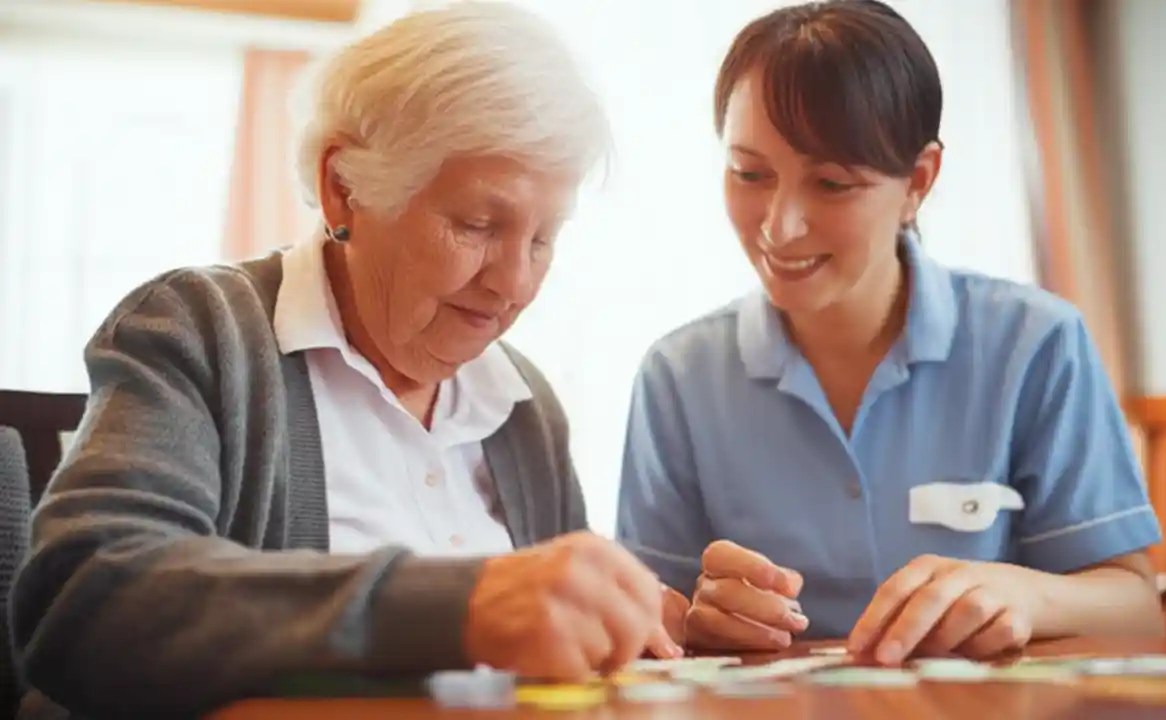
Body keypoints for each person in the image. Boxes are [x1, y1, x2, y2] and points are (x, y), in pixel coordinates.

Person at [9, 4, 680, 717]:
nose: (515, 284)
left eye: (544, 238)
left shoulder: (522, 405)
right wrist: (456, 605)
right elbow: (84, 595)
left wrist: (646, 620)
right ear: (345, 188)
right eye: (477, 225)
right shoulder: (201, 331)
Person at [617, 0, 1164, 667]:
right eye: (749, 173)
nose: (779, 226)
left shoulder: (1033, 344)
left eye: (832, 183)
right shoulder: (678, 376)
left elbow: (1137, 607)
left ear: (918, 182)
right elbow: (647, 622)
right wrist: (696, 619)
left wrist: (1020, 595)